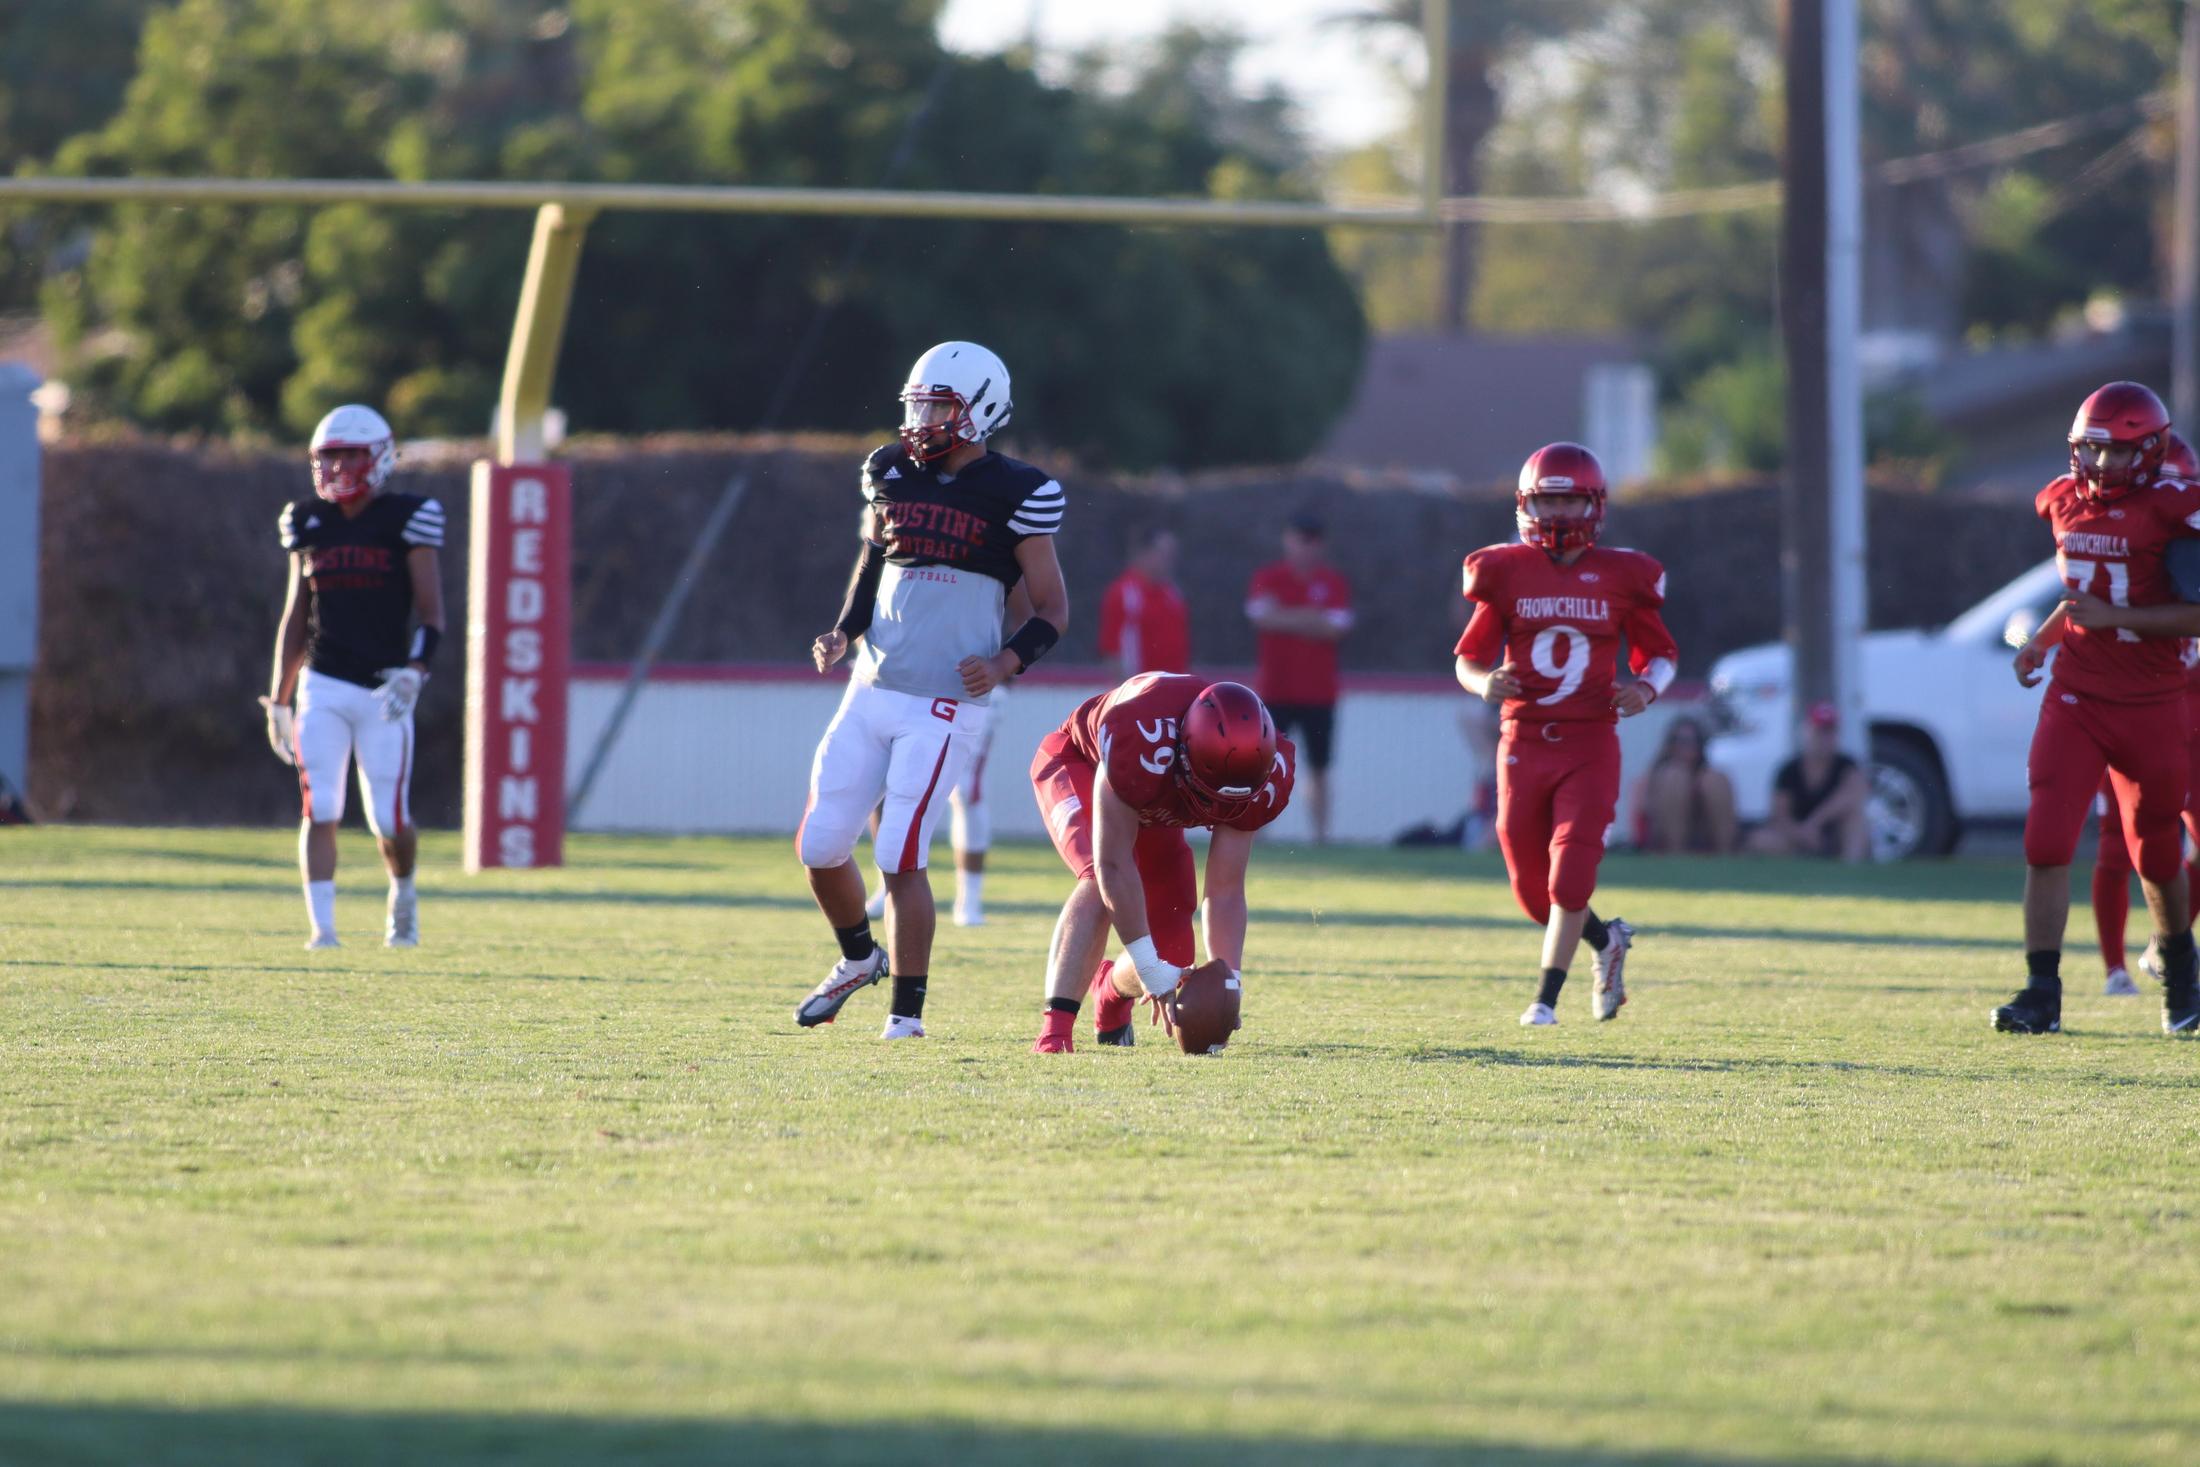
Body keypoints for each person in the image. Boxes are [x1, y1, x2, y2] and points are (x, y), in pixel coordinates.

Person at [794, 341, 1071, 1039]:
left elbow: (1053, 610)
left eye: (938, 407)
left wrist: (1005, 663)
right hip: (871, 687)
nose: (922, 421)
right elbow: (873, 563)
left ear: (980, 411)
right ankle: (860, 958)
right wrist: (843, 631)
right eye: (917, 406)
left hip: (945, 702)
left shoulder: (1019, 491)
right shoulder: (888, 470)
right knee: (820, 844)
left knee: (900, 854)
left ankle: (906, 1016)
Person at [1455, 442, 1677, 1026]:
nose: (1556, 514)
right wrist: (1483, 683)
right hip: (1523, 741)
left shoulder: (1622, 575)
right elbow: (1468, 658)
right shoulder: (1505, 572)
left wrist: (1646, 688)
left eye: (1568, 501)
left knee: (1570, 876)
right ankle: (1608, 941)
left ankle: (1544, 1000)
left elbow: (1661, 654)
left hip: (1589, 741)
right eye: (1546, 502)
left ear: (1593, 505)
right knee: (1537, 897)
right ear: (1526, 504)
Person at [2003, 381, 2200, 1037]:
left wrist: (2117, 619)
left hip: (2152, 702)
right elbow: (2080, 594)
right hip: (2078, 695)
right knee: (2046, 839)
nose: (2101, 463)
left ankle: (2180, 969)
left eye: (2116, 451)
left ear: (2151, 451)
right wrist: (2041, 641)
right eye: (2092, 448)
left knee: (2157, 855)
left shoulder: (2175, 510)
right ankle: (2041, 990)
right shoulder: (2063, 500)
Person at [1027, 675, 1294, 1053]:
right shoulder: (1139, 740)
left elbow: (1225, 890)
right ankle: (1055, 1032)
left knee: (1173, 956)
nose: (1215, 809)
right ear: (1184, 752)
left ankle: (1110, 992)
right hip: (1081, 763)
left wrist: (1228, 981)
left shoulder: (1261, 766)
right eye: (1210, 794)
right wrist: (1147, 966)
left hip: (1156, 797)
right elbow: (1113, 866)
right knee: (1097, 883)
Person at [260, 404, 444, 950]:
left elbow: (432, 614)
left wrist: (415, 672)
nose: (339, 467)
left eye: (351, 455)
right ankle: (323, 931)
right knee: (321, 806)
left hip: (385, 686)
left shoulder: (408, 517)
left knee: (388, 817)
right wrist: (280, 698)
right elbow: (296, 614)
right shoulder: (307, 520)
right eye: (330, 456)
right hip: (324, 682)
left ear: (379, 458)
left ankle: (403, 896)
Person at [2080, 430, 2200, 998]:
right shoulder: (2110, 543)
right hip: (2127, 706)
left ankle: (2165, 947)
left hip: (2184, 710)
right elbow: (2079, 607)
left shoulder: (2183, 544)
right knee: (2115, 840)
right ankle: (2114, 969)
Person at [1246, 512, 1352, 843]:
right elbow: (1261, 619)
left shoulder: (1332, 582)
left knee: (1319, 766)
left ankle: (1320, 836)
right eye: (1300, 540)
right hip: (1275, 690)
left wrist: (1284, 616)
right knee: (1263, 765)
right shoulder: (1268, 577)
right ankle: (1257, 834)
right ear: (1287, 540)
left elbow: (1334, 628)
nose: (1306, 548)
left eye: (1312, 541)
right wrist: (1310, 618)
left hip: (1319, 693)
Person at [1745, 703, 1868, 861]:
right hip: (1797, 837)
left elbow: (1853, 797)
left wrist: (1815, 823)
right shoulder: (1789, 770)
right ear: (1806, 731)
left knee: (1855, 822)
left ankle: (1850, 868)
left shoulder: (1847, 766)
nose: (1824, 739)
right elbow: (1779, 816)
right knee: (1760, 840)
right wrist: (1802, 833)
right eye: (1819, 732)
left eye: (1829, 732)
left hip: (1833, 836)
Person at [1098, 525, 1191, 677]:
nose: (1169, 562)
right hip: (1140, 685)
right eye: (1163, 555)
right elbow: (1111, 650)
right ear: (1144, 554)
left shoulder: (1173, 594)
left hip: (1173, 683)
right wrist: (1124, 685)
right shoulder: (1124, 594)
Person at [1636, 715, 1737, 854]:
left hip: (1705, 836)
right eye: (1682, 741)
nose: (1689, 747)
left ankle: (1724, 852)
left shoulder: (1712, 779)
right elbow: (1642, 816)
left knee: (1714, 780)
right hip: (1664, 840)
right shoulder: (1655, 778)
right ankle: (1676, 852)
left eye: (1694, 741)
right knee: (1674, 777)